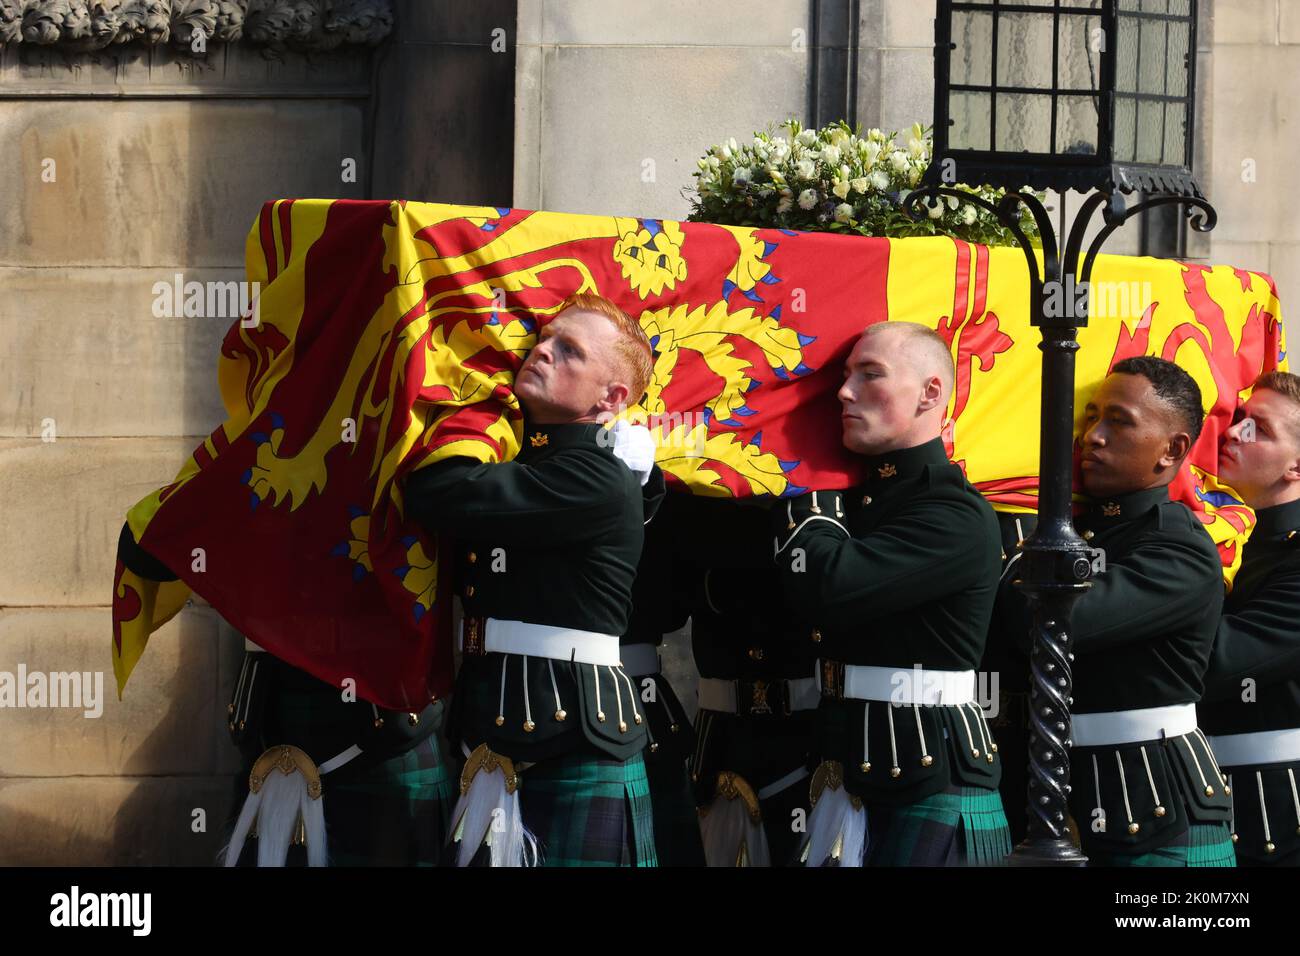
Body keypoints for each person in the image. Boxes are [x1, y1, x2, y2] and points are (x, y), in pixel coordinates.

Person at [403, 291, 663, 867]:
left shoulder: (596, 478)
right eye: (543, 339)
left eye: (568, 351)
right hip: (489, 725)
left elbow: (438, 494)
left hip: (571, 733)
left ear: (611, 397)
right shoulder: (528, 462)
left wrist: (474, 413)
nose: (541, 351)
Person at [772, 321, 1010, 866]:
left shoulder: (956, 513)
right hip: (843, 764)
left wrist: (803, 487)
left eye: (870, 374)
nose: (844, 391)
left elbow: (828, 586)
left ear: (931, 392)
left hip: (928, 770)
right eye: (845, 374)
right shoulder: (863, 500)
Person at [999, 356, 1234, 866]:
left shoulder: (1179, 549)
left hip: (1153, 802)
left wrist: (1013, 555)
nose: (1092, 436)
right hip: (1060, 794)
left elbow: (1055, 626)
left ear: (1172, 449)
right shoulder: (1087, 532)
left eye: (1119, 421)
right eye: (1088, 417)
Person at [115, 526, 454, 866]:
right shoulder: (236, 472)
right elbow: (146, 548)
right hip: (275, 733)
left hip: (382, 740)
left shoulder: (404, 473)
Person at [674, 494, 818, 867]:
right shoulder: (698, 504)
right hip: (719, 734)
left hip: (802, 736)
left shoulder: (817, 507)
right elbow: (669, 595)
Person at [1201, 371, 1300, 866]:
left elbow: (1222, 661)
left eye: (1258, 427)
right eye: (1238, 417)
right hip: (1195, 790)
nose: (1234, 432)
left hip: (1277, 800)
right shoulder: (1224, 539)